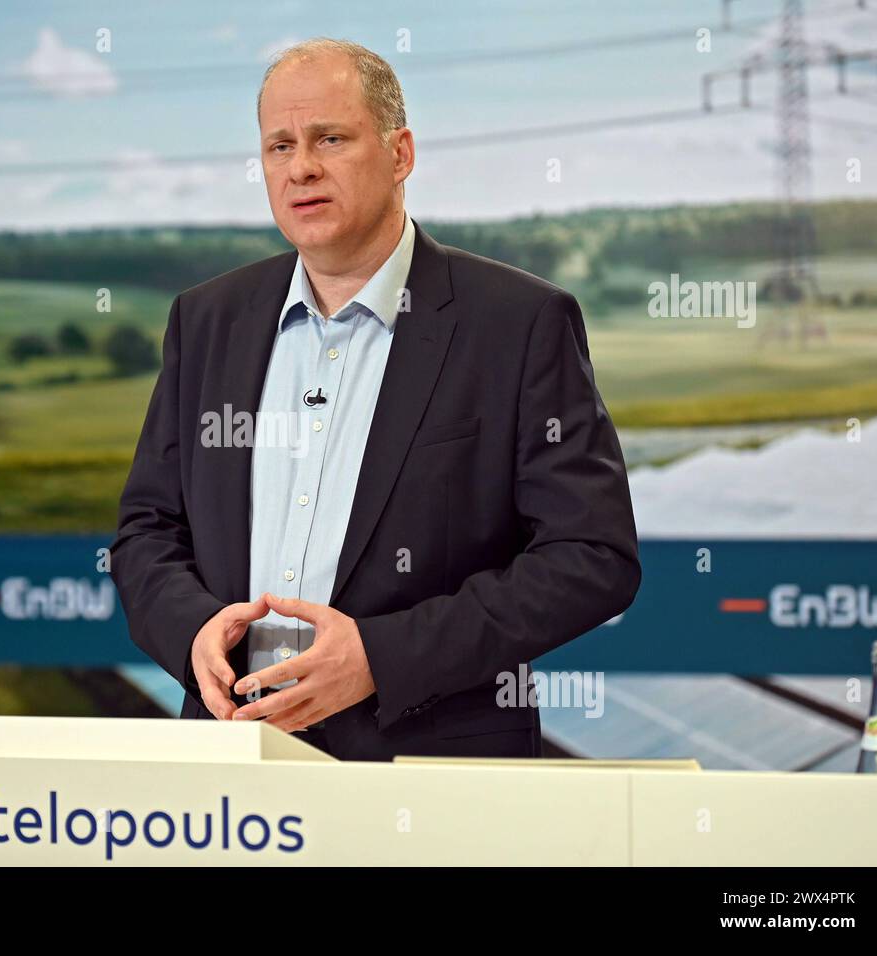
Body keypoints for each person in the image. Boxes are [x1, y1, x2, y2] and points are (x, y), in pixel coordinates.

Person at [110, 38, 640, 761]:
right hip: (231, 764)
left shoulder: (516, 323)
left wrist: (381, 659)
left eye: (332, 138)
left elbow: (591, 557)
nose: (302, 167)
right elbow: (147, 531)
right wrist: (192, 631)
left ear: (400, 154)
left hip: (432, 771)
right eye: (279, 146)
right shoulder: (208, 321)